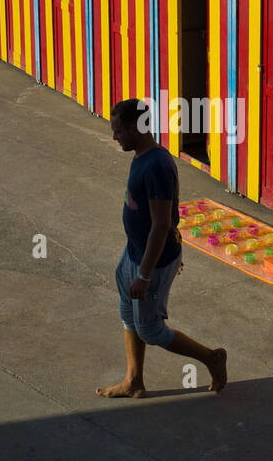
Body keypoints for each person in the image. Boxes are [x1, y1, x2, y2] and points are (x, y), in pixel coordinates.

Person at [97, 98, 227, 398]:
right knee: (128, 314)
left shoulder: (156, 165)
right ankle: (134, 381)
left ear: (135, 128)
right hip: (135, 253)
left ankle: (212, 358)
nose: (114, 136)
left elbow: (160, 224)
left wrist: (144, 275)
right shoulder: (143, 156)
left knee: (150, 330)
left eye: (117, 131)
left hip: (150, 262)